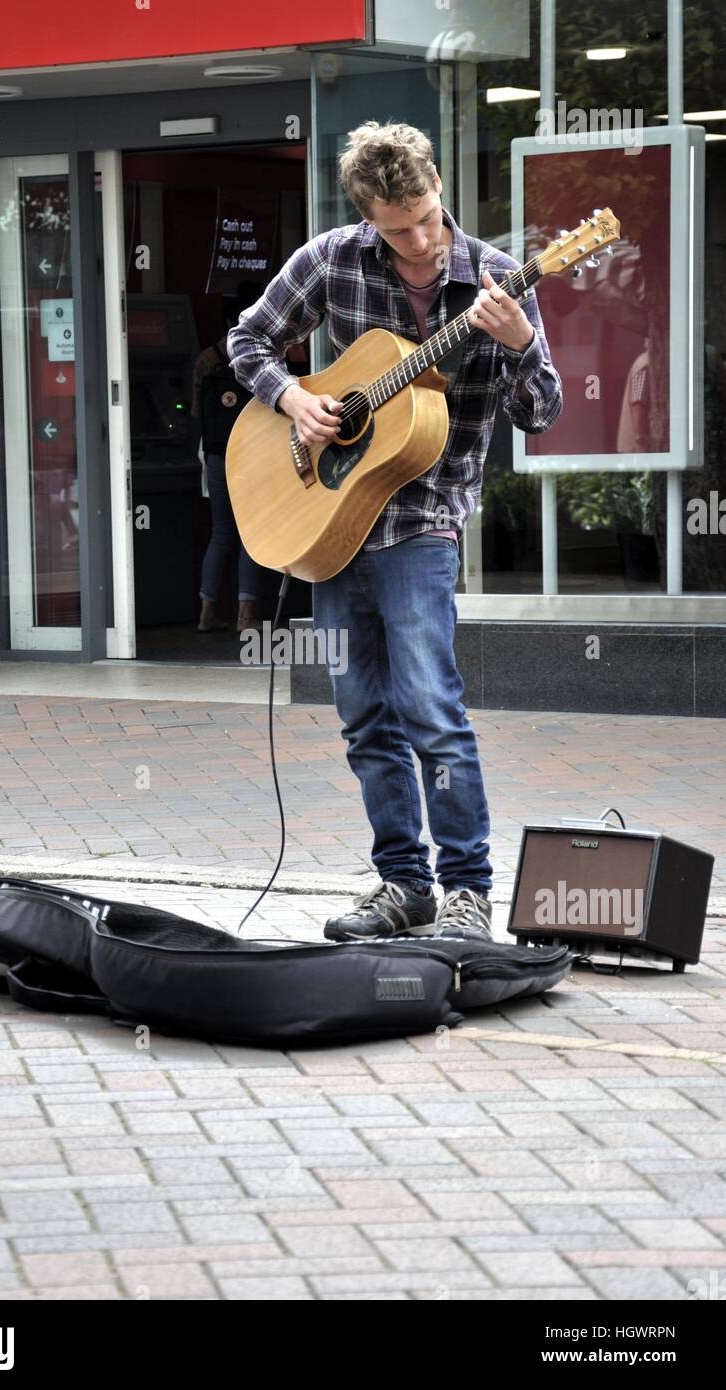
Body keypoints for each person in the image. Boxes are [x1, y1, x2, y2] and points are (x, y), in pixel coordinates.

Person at [227, 121, 562, 942]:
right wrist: (293, 400)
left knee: (430, 708)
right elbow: (246, 340)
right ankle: (400, 884)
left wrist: (519, 342)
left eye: (423, 216)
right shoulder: (333, 258)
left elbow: (542, 409)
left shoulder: (496, 278)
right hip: (332, 523)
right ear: (366, 216)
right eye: (394, 226)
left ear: (438, 186)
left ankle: (466, 892)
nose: (414, 239)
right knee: (363, 715)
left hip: (422, 522)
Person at [192, 289, 263, 634]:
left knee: (221, 533)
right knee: (249, 535)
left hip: (216, 453)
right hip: (249, 454)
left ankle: (206, 611)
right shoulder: (257, 356)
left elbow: (194, 413)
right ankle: (244, 616)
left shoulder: (207, 358)